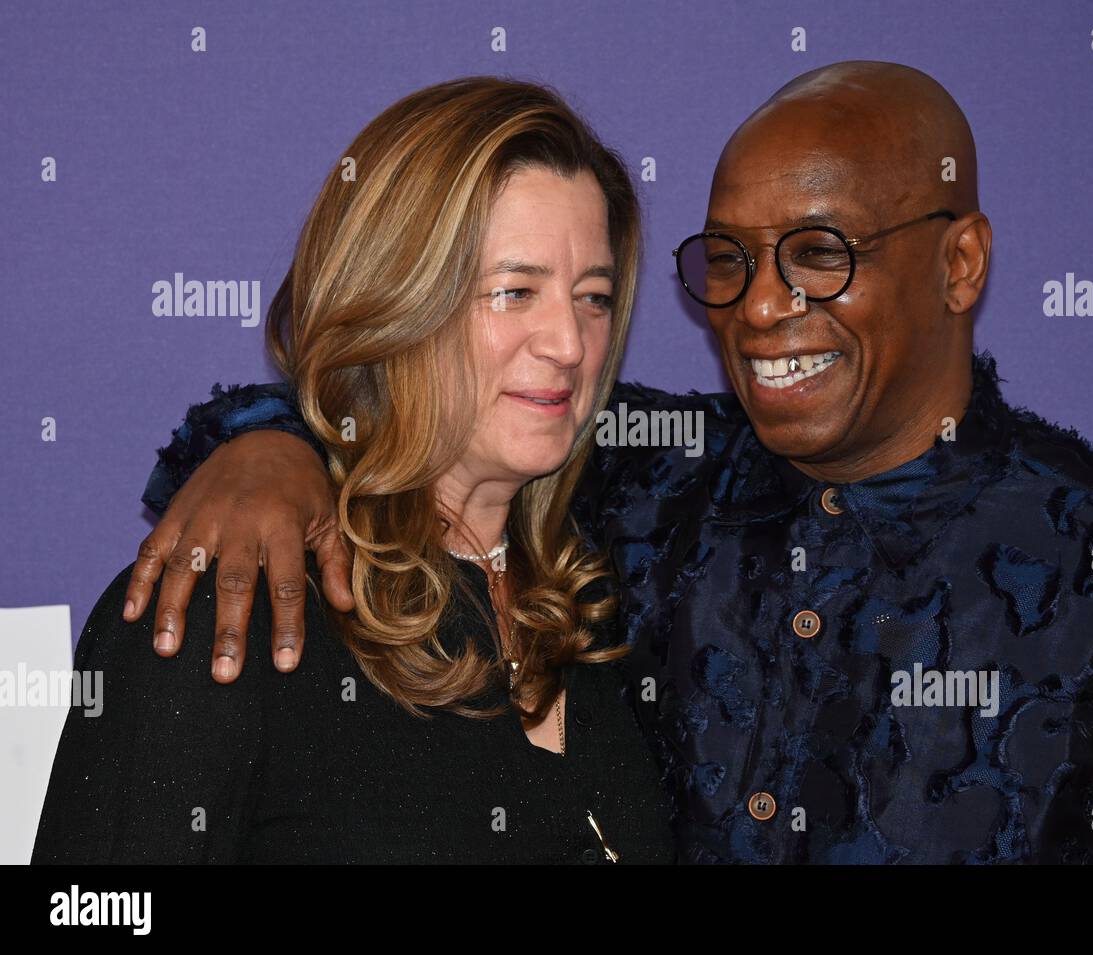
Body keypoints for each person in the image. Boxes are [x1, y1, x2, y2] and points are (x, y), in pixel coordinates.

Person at [119, 62, 1093, 864]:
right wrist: (267, 451)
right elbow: (419, 403)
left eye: (820, 253)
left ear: (961, 264)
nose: (763, 306)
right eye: (727, 260)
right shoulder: (647, 481)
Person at [33, 77, 675, 864]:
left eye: (595, 297)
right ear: (392, 303)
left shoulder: (598, 607)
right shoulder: (233, 593)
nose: (570, 344)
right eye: (515, 292)